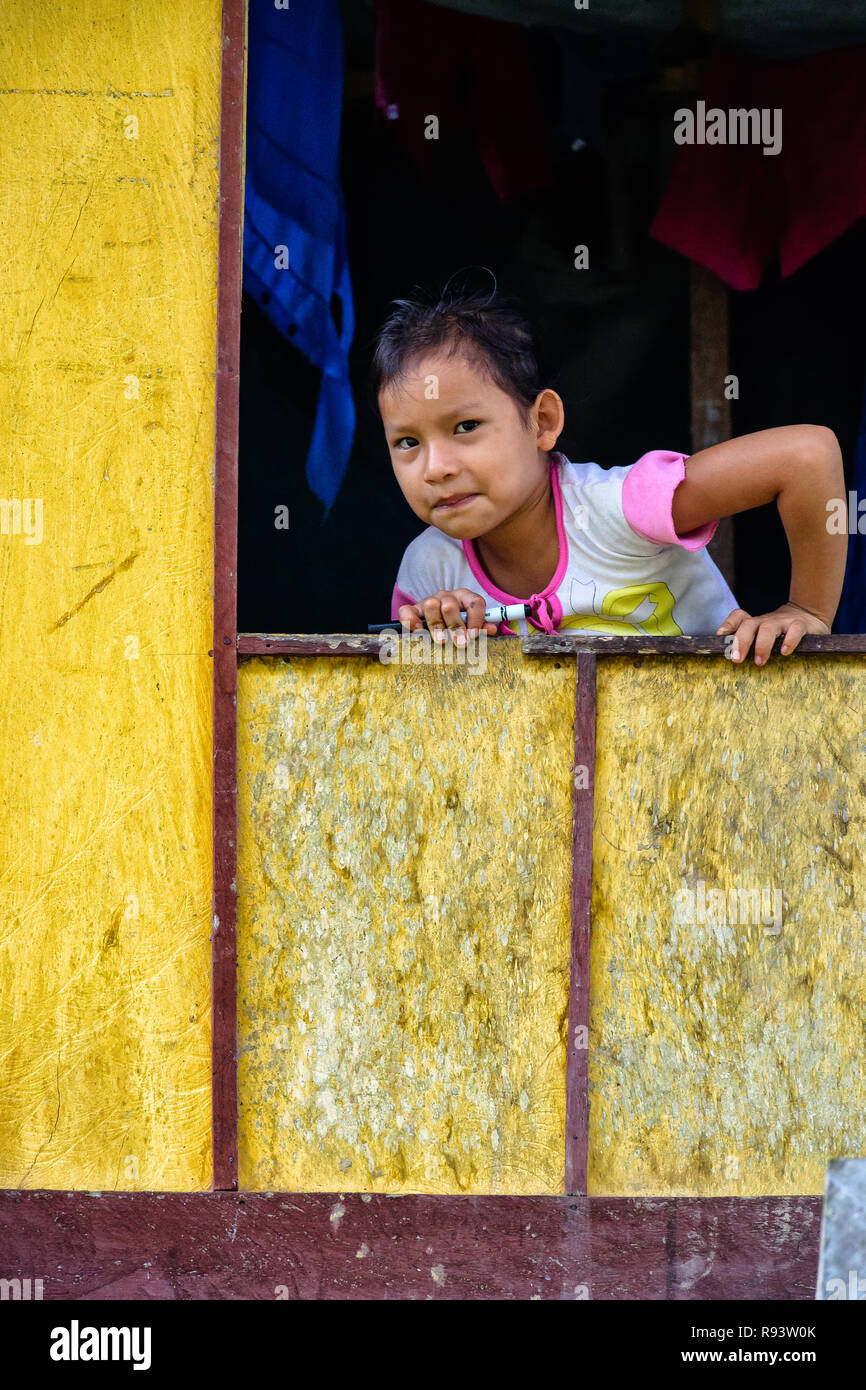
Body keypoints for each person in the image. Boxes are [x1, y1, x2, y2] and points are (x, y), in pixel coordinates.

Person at [370, 280, 846, 664]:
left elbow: (807, 455)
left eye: (465, 426)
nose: (436, 468)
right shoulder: (428, 572)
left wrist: (806, 610)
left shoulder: (623, 507)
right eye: (408, 442)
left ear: (542, 422)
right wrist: (444, 635)